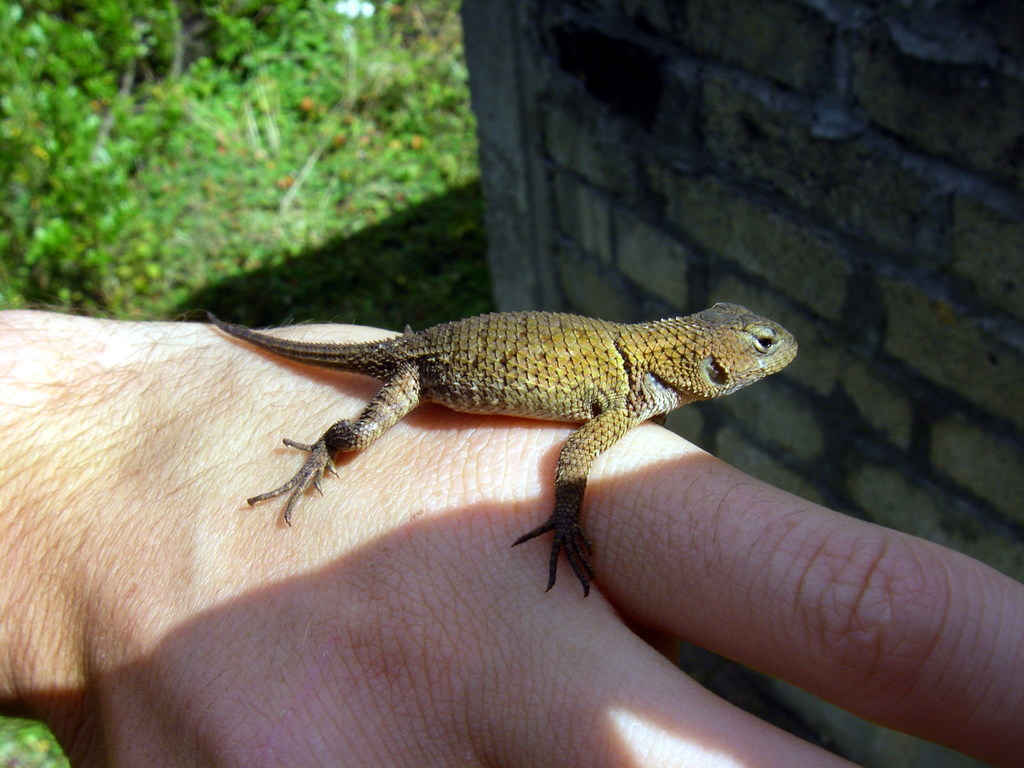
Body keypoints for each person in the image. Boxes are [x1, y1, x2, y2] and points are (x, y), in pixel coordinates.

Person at [0, 310, 1020, 768]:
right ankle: (316, 456)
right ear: (708, 367)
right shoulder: (625, 389)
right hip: (420, 368)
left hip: (441, 344)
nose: (764, 359)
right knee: (362, 432)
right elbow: (574, 462)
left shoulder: (634, 371)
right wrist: (567, 525)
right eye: (754, 350)